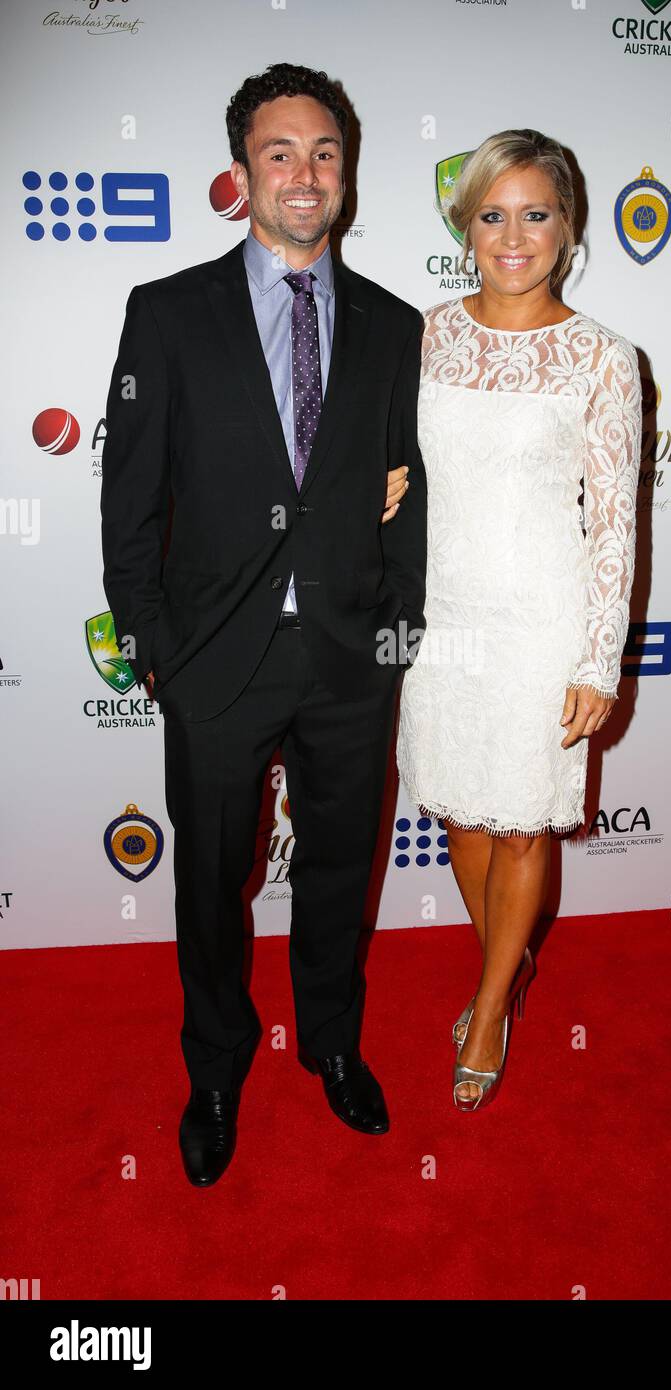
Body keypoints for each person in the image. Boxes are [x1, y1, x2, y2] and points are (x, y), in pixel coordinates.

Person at [101, 62, 427, 1185]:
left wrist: (402, 628)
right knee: (209, 882)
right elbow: (129, 493)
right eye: (280, 152)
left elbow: (408, 485)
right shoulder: (168, 312)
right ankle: (217, 1067)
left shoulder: (391, 325)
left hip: (347, 659)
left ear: (347, 172)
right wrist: (151, 645)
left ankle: (332, 1045)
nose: (305, 173)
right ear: (242, 172)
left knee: (340, 867)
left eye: (325, 153)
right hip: (215, 662)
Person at [396, 129, 642, 1111]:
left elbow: (615, 516)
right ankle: (503, 964)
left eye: (534, 213)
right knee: (464, 814)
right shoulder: (422, 333)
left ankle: (491, 1002)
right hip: (441, 617)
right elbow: (393, 467)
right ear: (464, 225)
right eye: (491, 213)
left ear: (566, 227)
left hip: (542, 616)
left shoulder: (602, 356)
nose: (512, 234)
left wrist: (598, 658)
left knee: (522, 827)